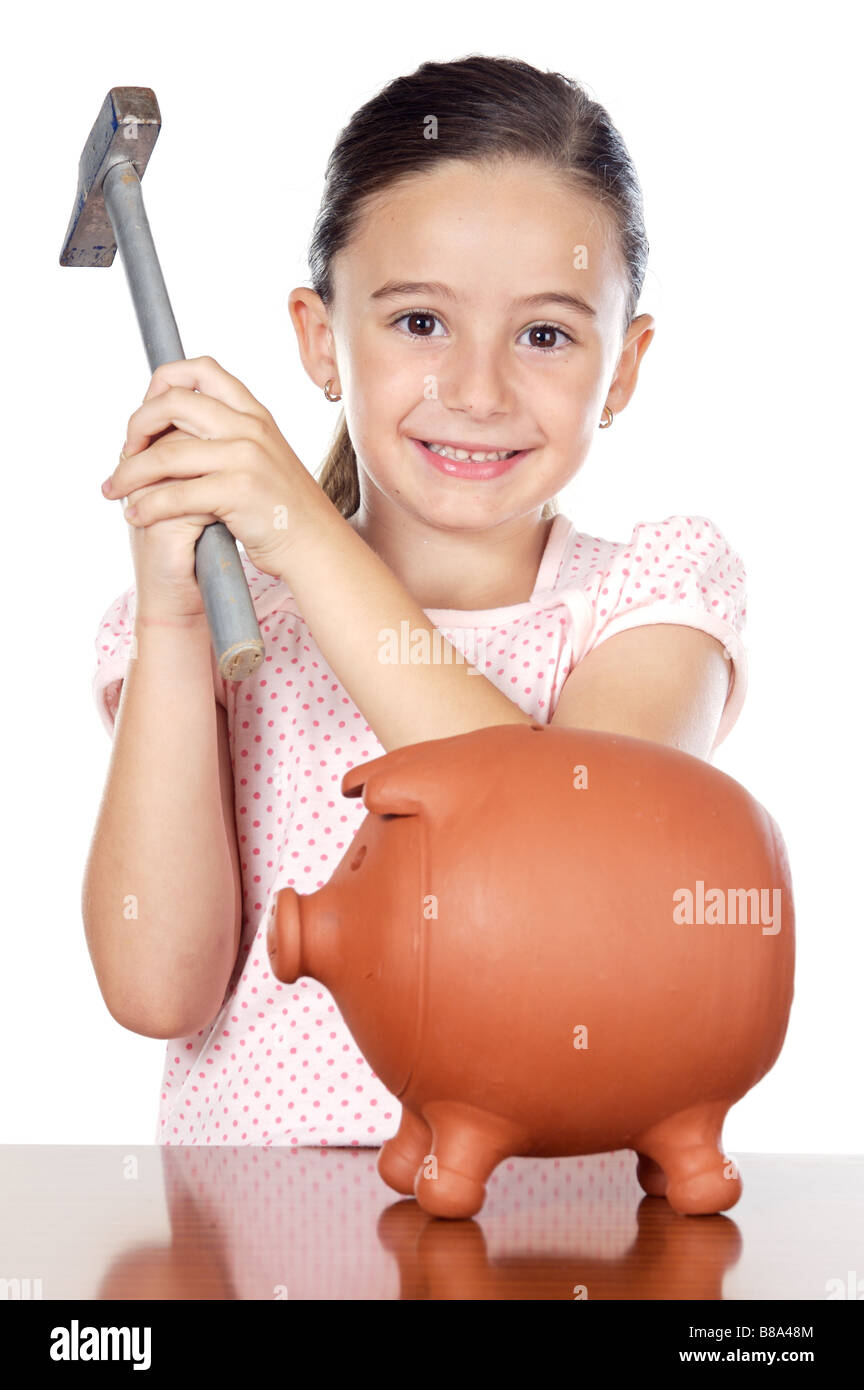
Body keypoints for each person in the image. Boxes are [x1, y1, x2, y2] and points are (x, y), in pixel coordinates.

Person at [85, 55, 747, 1147]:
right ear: (318, 338)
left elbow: (562, 866)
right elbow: (159, 990)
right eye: (419, 323)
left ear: (622, 370)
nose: (478, 390)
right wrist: (171, 625)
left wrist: (299, 527)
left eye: (545, 334)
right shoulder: (223, 619)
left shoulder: (652, 600)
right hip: (252, 1246)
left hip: (541, 1249)